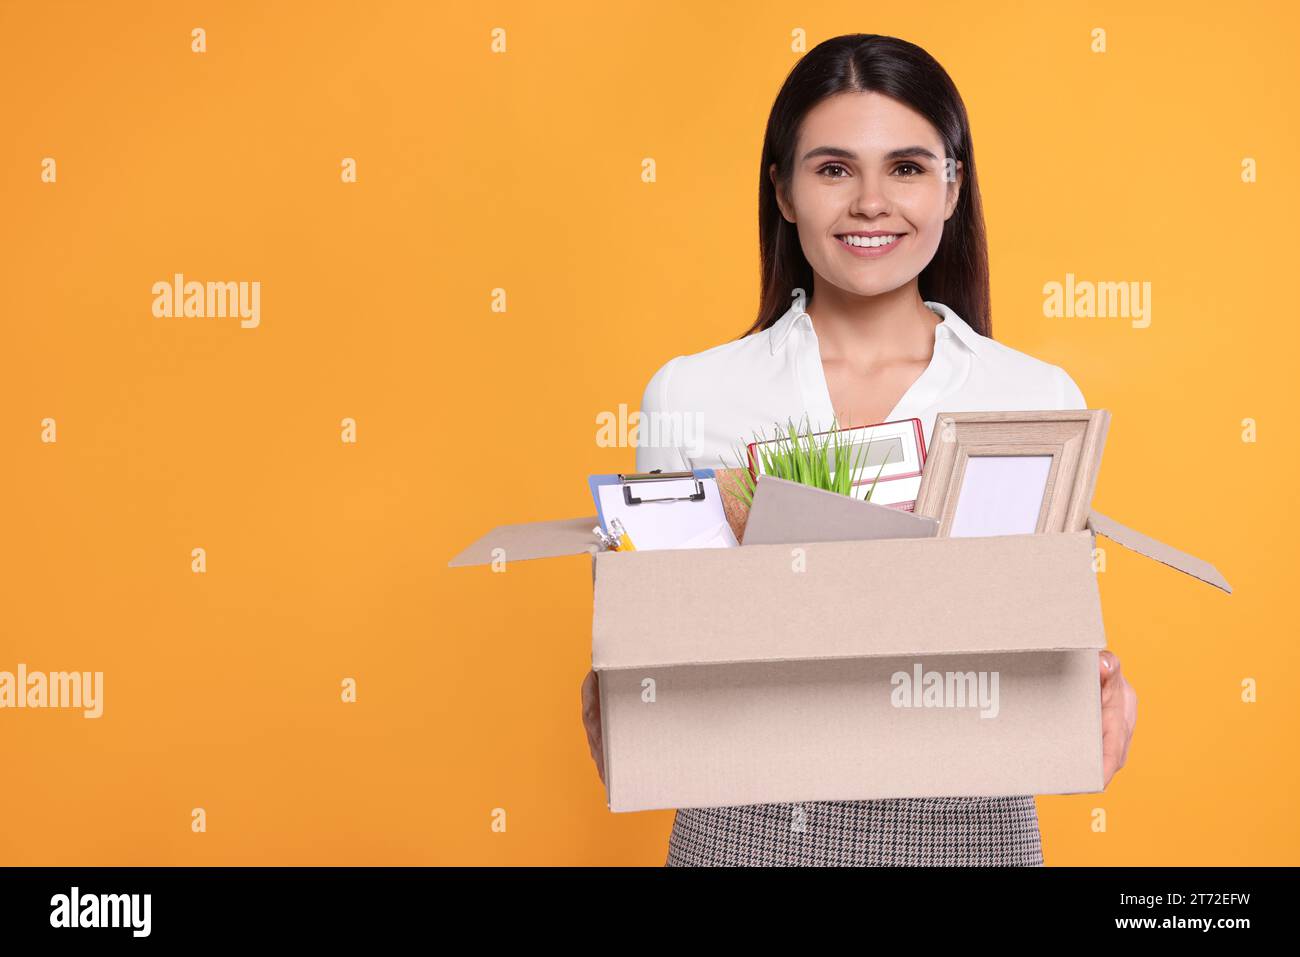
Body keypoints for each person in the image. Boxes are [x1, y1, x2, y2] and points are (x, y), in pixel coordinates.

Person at [581, 33, 1137, 866]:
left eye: (908, 167)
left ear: (953, 187)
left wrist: (1097, 697)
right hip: (746, 827)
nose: (872, 201)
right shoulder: (693, 395)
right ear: (784, 189)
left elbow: (1046, 633)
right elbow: (660, 638)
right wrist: (625, 693)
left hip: (971, 826)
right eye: (834, 168)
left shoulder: (1033, 397)